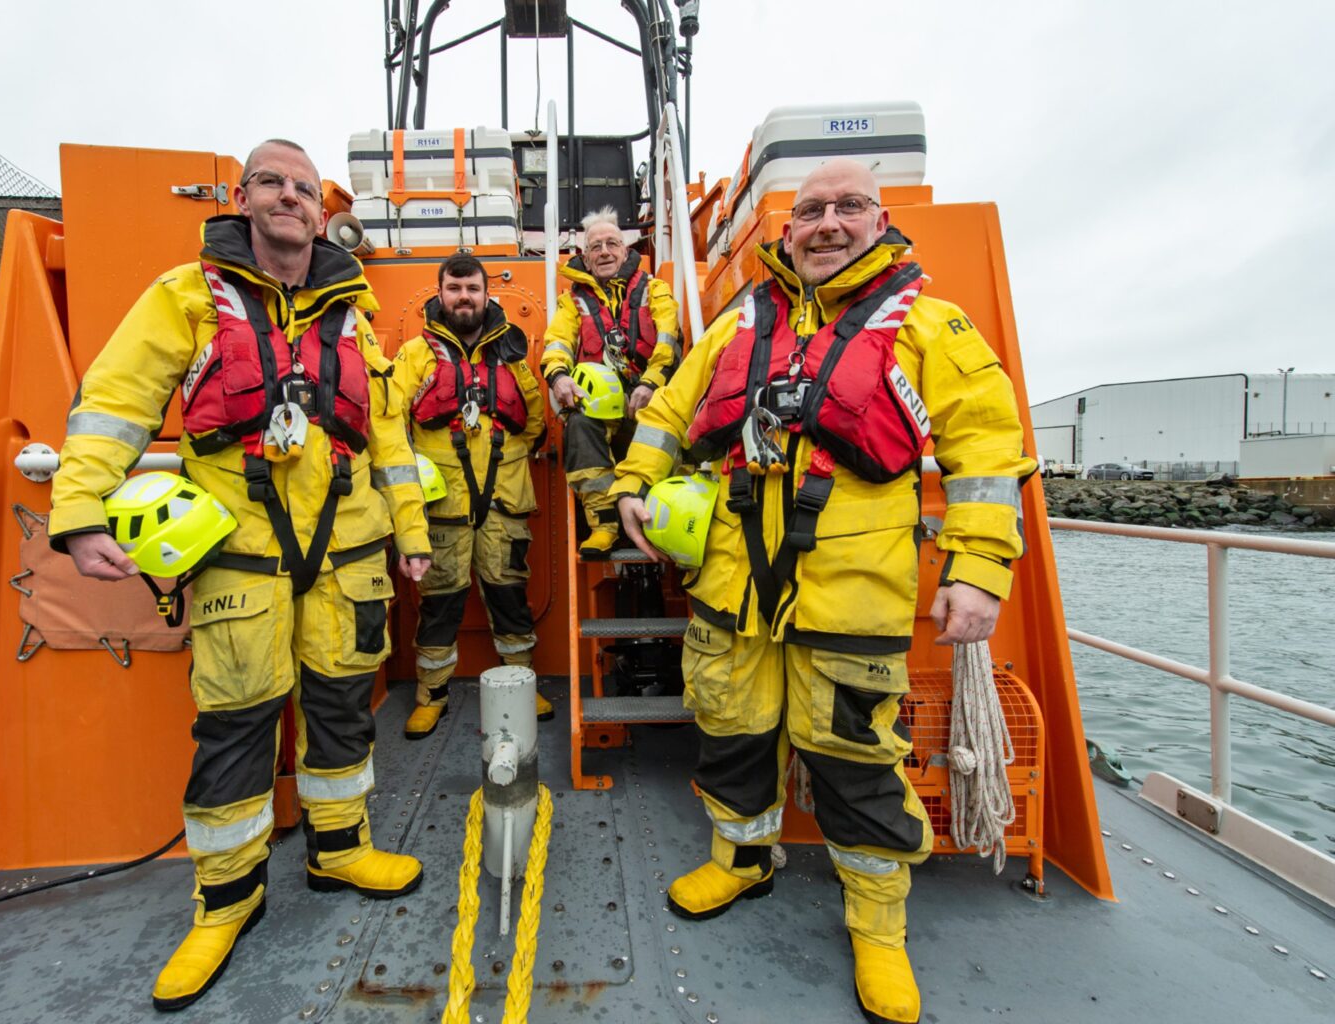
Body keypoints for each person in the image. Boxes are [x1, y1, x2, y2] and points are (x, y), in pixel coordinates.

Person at [610, 159, 1035, 1024]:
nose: (827, 223)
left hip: (851, 592)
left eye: (848, 207)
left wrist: (980, 571)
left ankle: (877, 928)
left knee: (853, 762)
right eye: (810, 211)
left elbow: (988, 452)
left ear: (880, 221)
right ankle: (741, 862)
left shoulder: (929, 324)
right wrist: (632, 482)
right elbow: (668, 411)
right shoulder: (739, 325)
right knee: (729, 732)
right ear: (788, 228)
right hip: (734, 582)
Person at [47, 139, 432, 1012]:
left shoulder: (357, 321)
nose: (289, 197)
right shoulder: (183, 298)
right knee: (236, 725)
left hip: (346, 558)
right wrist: (77, 512)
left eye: (303, 186)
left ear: (320, 211)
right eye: (272, 182)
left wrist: (409, 533)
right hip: (242, 553)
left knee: (342, 704)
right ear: (243, 196)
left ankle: (339, 847)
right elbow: (114, 403)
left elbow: (391, 443)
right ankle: (226, 900)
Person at [389, 254, 553, 738]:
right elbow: (392, 422)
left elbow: (537, 422)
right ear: (440, 294)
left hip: (503, 500)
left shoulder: (512, 355)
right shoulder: (417, 355)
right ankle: (430, 696)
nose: (464, 297)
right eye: (454, 288)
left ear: (486, 295)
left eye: (472, 289)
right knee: (438, 604)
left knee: (510, 597)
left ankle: (521, 686)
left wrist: (506, 461)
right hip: (442, 507)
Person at [540, 206, 682, 557]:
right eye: (595, 247)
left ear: (625, 250)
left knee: (671, 428)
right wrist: (558, 377)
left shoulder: (655, 290)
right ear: (585, 259)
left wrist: (650, 383)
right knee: (579, 427)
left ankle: (656, 520)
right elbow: (556, 343)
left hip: (650, 392)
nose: (604, 252)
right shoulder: (572, 301)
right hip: (600, 401)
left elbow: (669, 338)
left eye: (611, 244)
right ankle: (604, 525)